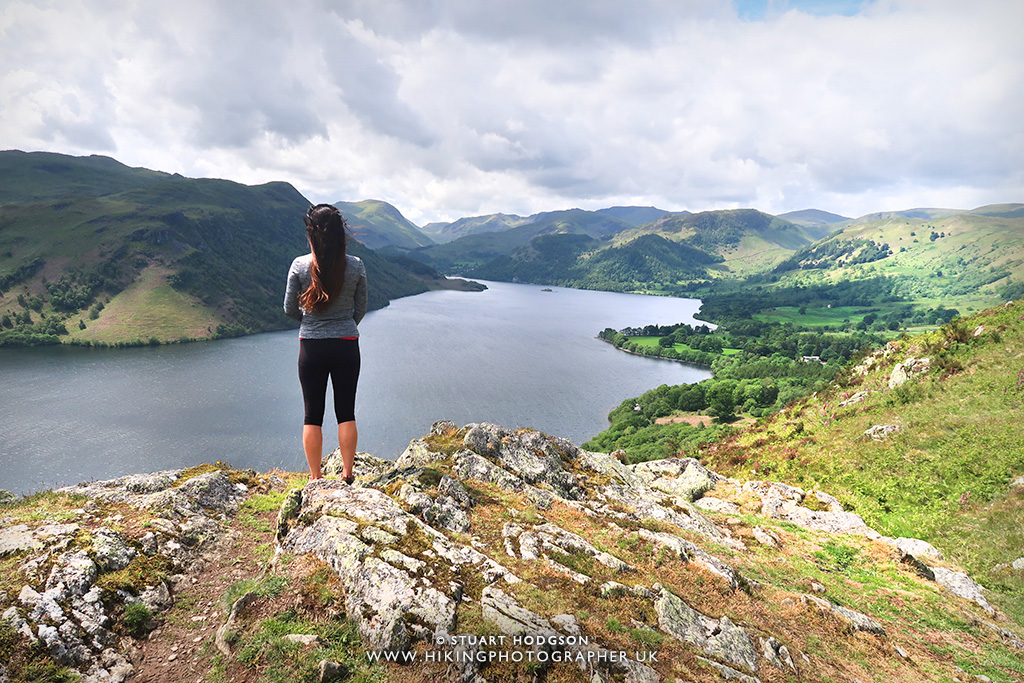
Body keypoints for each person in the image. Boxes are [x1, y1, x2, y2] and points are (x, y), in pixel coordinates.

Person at [283, 204, 367, 483]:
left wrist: (309, 322)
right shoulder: (355, 265)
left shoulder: (299, 265)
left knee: (312, 415)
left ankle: (315, 477)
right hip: (346, 344)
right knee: (346, 412)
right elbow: (360, 308)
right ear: (340, 233)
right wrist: (345, 325)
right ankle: (347, 473)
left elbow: (289, 308)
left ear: (312, 233)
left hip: (312, 346)